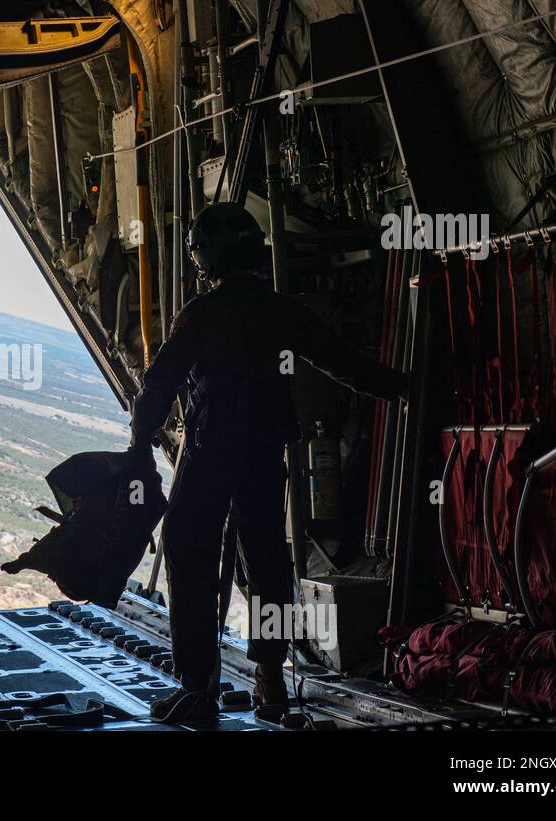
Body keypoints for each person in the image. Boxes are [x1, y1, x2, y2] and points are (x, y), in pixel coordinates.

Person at [128, 203, 408, 723]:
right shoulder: (284, 312)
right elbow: (346, 366)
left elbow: (160, 384)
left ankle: (196, 684)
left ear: (208, 256)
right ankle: (270, 680)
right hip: (262, 458)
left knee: (188, 550)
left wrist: (139, 440)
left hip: (210, 455)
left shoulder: (202, 315)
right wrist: (405, 388)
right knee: (266, 565)